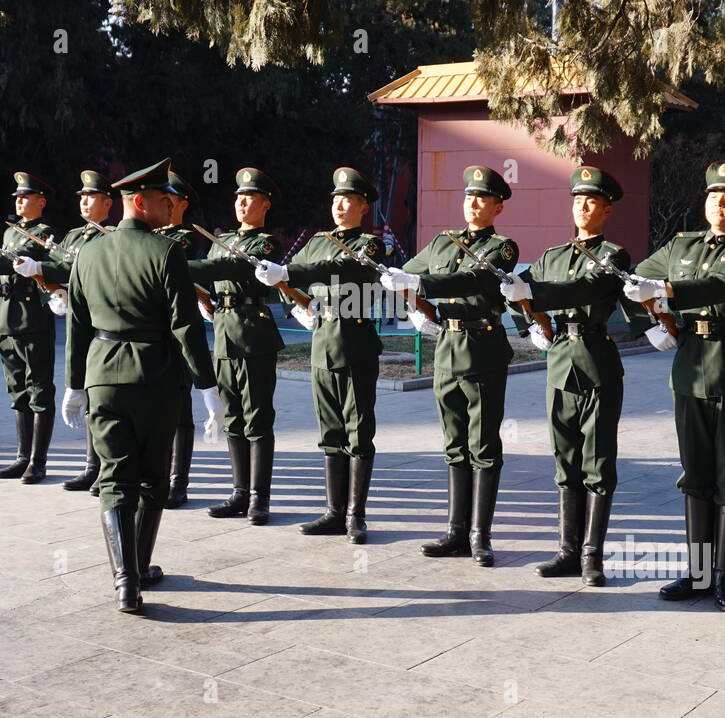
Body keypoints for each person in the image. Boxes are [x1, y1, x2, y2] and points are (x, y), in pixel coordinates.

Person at [61, 158, 222, 612]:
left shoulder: (88, 252)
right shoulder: (166, 252)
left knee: (114, 479)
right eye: (161, 199)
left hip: (103, 379)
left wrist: (73, 385)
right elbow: (186, 327)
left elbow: (77, 327)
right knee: (152, 478)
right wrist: (208, 389)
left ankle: (125, 582)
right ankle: (140, 567)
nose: (169, 206)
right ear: (139, 202)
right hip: (155, 379)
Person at [622, 160, 725, 611]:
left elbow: (721, 284)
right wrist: (652, 322)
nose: (720, 202)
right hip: (691, 363)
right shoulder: (681, 244)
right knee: (695, 474)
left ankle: (724, 579)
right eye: (714, 195)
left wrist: (667, 293)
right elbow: (636, 279)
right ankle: (696, 575)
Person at [380, 165, 518, 567]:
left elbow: (473, 280)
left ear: (497, 207)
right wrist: (405, 287)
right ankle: (456, 531)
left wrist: (421, 285)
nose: (472, 203)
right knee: (455, 444)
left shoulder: (503, 248)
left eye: (481, 198)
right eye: (468, 196)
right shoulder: (443, 243)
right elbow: (411, 271)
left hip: (483, 349)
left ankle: (480, 536)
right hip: (448, 348)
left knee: (484, 446)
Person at [499, 166, 631, 583]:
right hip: (560, 362)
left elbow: (586, 289)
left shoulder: (614, 254)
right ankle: (567, 551)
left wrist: (534, 294)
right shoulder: (552, 256)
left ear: (607, 208)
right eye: (577, 199)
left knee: (598, 460)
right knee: (565, 457)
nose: (582, 207)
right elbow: (514, 288)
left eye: (591, 200)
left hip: (596, 360)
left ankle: (593, 556)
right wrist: (530, 323)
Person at [254, 166, 386, 543]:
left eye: (349, 200)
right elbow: (287, 274)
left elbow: (340, 269)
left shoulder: (369, 245)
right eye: (336, 200)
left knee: (358, 431)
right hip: (322, 342)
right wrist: (295, 301)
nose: (341, 205)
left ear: (363, 206)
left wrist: (291, 276)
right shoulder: (317, 240)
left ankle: (356, 515)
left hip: (355, 342)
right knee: (330, 431)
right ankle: (333, 511)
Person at [188, 167, 284, 526]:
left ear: (264, 204)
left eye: (250, 198)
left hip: (253, 332)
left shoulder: (267, 242)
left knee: (257, 416)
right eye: (238, 197)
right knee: (233, 417)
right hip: (224, 330)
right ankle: (239, 492)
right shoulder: (220, 239)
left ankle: (260, 498)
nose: (242, 203)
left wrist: (193, 268)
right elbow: (213, 273)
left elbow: (233, 266)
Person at [29, 170, 115, 494]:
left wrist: (45, 271)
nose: (83, 201)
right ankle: (91, 467)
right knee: (85, 391)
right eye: (81, 196)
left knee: (100, 397)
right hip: (79, 322)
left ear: (107, 202)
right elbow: (54, 269)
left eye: (90, 196)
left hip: (102, 324)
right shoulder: (72, 236)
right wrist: (51, 293)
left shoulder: (112, 236)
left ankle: (106, 467)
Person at [0, 172, 59, 484]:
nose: (19, 201)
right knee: (17, 388)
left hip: (32, 317)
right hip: (8, 316)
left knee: (38, 388)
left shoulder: (43, 233)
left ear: (41, 201)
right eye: (17, 197)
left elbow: (11, 265)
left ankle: (38, 461)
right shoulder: (11, 233)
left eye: (25, 197)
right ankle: (22, 456)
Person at [152, 170, 203, 509]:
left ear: (182, 203)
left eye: (171, 199)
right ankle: (157, 474)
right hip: (151, 332)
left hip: (175, 333)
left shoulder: (183, 238)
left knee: (181, 412)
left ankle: (178, 481)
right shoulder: (153, 236)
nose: (166, 204)